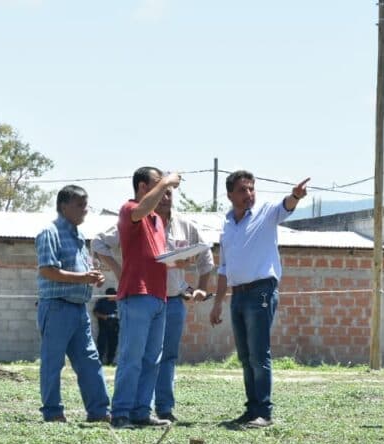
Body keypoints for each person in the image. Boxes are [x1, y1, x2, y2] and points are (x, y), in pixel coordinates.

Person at [209, 170, 309, 428]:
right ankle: (251, 409)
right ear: (230, 195)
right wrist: (218, 302)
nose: (249, 194)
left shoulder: (265, 213)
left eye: (251, 189)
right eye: (242, 190)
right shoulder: (228, 225)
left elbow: (285, 207)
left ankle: (264, 411)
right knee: (245, 356)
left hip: (261, 291)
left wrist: (295, 196)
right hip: (237, 295)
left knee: (258, 353)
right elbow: (224, 268)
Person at [108, 166, 182, 429]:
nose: (165, 190)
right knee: (132, 357)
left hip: (159, 295)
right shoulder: (130, 209)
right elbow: (141, 210)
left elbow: (154, 256)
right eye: (158, 183)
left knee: (152, 359)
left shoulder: (158, 221)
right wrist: (168, 181)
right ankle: (120, 413)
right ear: (142, 186)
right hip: (137, 294)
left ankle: (141, 411)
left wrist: (178, 261)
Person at [34, 185, 111, 423]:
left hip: (79, 308)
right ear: (63, 206)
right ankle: (53, 412)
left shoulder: (78, 236)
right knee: (53, 362)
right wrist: (83, 278)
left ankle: (99, 412)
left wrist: (93, 277)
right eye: (80, 205)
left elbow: (81, 271)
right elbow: (48, 270)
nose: (85, 210)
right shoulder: (50, 232)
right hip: (56, 306)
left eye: (86, 205)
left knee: (89, 360)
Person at [153, 190, 213, 422]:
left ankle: (164, 407)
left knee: (168, 356)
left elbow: (206, 257)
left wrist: (201, 288)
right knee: (146, 356)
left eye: (168, 193)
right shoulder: (141, 223)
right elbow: (100, 243)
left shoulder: (185, 226)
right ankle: (140, 407)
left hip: (174, 301)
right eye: (160, 193)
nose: (165, 198)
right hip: (145, 301)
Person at [92, 287, 119, 365]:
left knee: (113, 344)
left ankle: (110, 362)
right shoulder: (101, 302)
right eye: (113, 295)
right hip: (104, 326)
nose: (115, 296)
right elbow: (95, 312)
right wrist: (104, 316)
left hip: (114, 327)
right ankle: (99, 361)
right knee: (102, 344)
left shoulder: (117, 302)